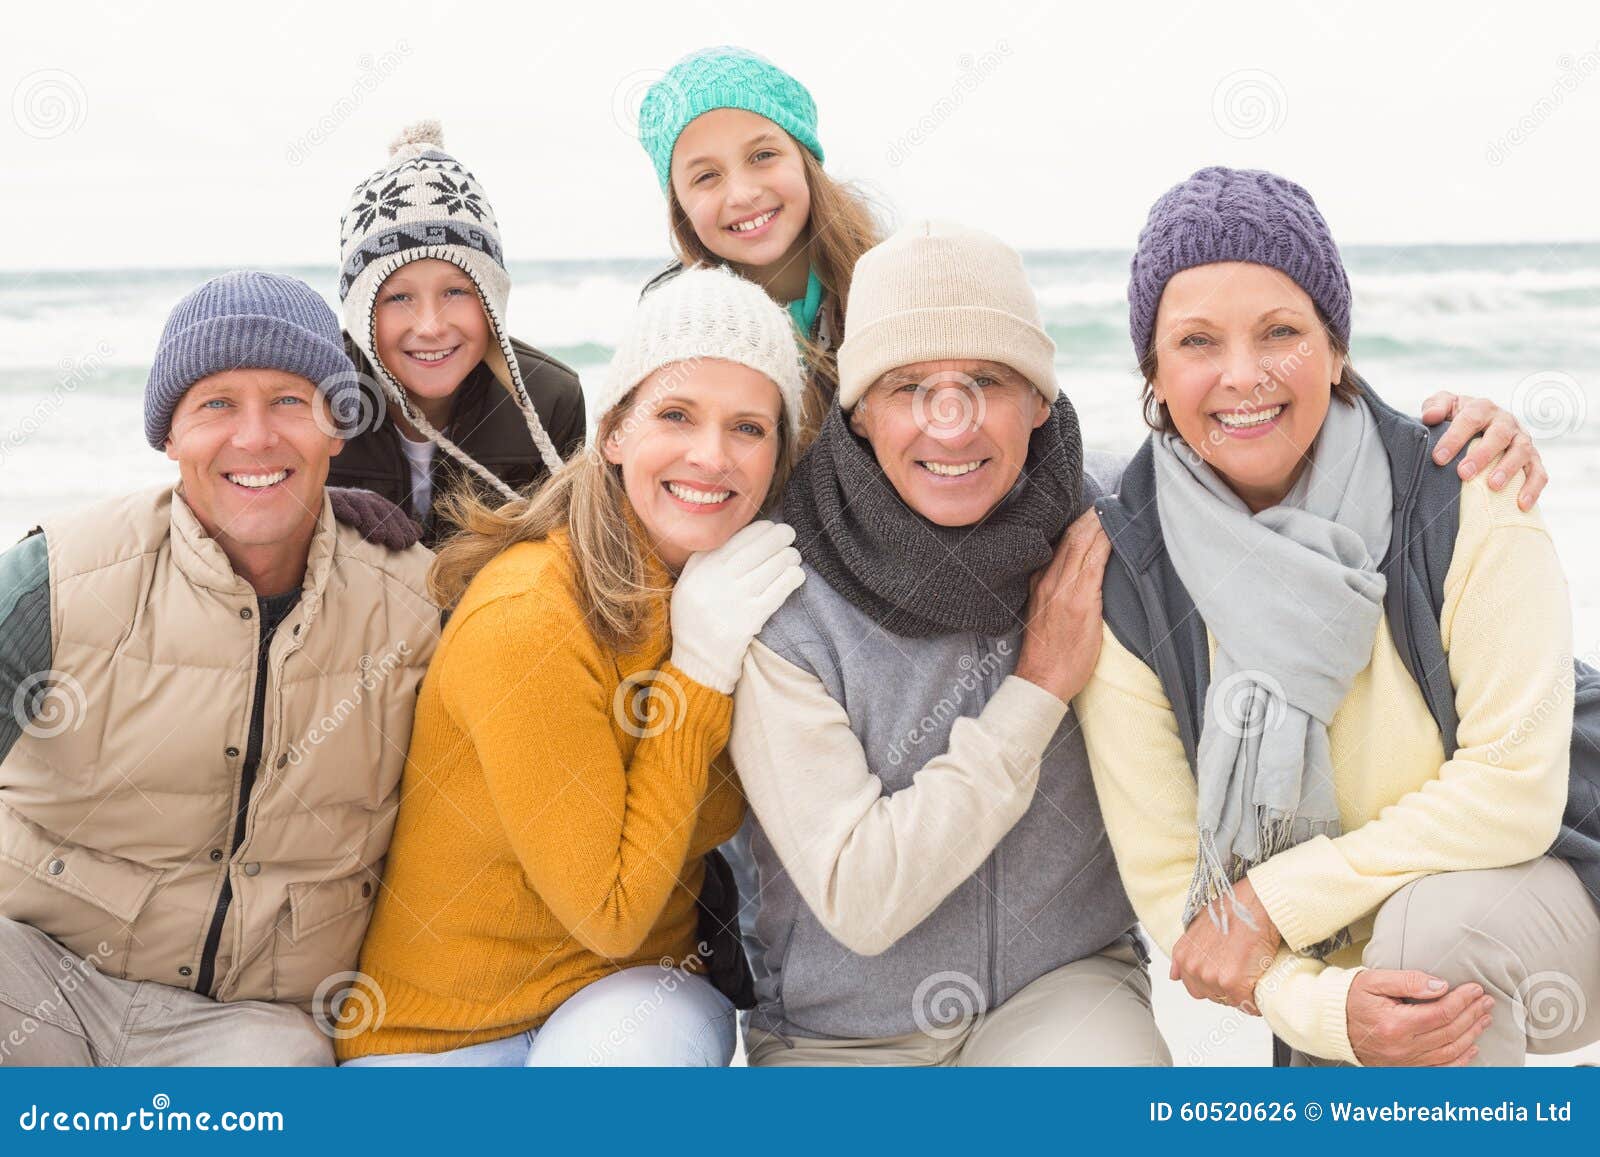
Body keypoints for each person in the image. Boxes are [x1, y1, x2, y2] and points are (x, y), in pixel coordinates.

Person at [1076, 166, 1600, 1066]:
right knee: (1373, 1012)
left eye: (1280, 330)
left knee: (1427, 940)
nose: (1243, 376)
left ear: (1335, 345)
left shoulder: (1464, 484)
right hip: (1336, 955)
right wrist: (1318, 1007)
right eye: (1197, 341)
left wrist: (1271, 903)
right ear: (1153, 374)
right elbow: (1175, 886)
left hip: (1551, 894)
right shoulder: (1126, 568)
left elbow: (1514, 789)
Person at [336, 267, 807, 1066]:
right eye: (677, 414)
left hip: (626, 997)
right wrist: (695, 674)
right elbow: (616, 904)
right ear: (615, 432)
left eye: (749, 428)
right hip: (438, 1036)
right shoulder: (533, 614)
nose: (710, 455)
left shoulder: (742, 588)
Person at [729, 220, 1168, 1066]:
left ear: (1040, 399)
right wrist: (1037, 689)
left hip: (1062, 986)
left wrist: (1462, 449)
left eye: (987, 379)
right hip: (843, 1033)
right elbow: (862, 895)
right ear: (858, 414)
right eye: (906, 386)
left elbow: (1289, 474)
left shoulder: (1117, 512)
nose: (951, 422)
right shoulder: (780, 585)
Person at [0, 271, 438, 1066]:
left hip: (247, 1029)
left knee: (285, 1070)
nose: (255, 437)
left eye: (288, 401)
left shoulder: (413, 608)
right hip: (36, 977)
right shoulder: (59, 578)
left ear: (337, 428)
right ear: (169, 435)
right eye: (216, 405)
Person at [329, 121, 586, 545]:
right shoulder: (319, 394)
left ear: (491, 296)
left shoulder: (550, 401)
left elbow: (563, 555)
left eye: (456, 291)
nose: (430, 325)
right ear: (360, 312)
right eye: (398, 297)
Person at [638, 46, 880, 440]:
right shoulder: (674, 323)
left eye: (762, 155)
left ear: (805, 160)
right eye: (706, 176)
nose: (742, 194)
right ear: (679, 205)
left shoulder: (886, 282)